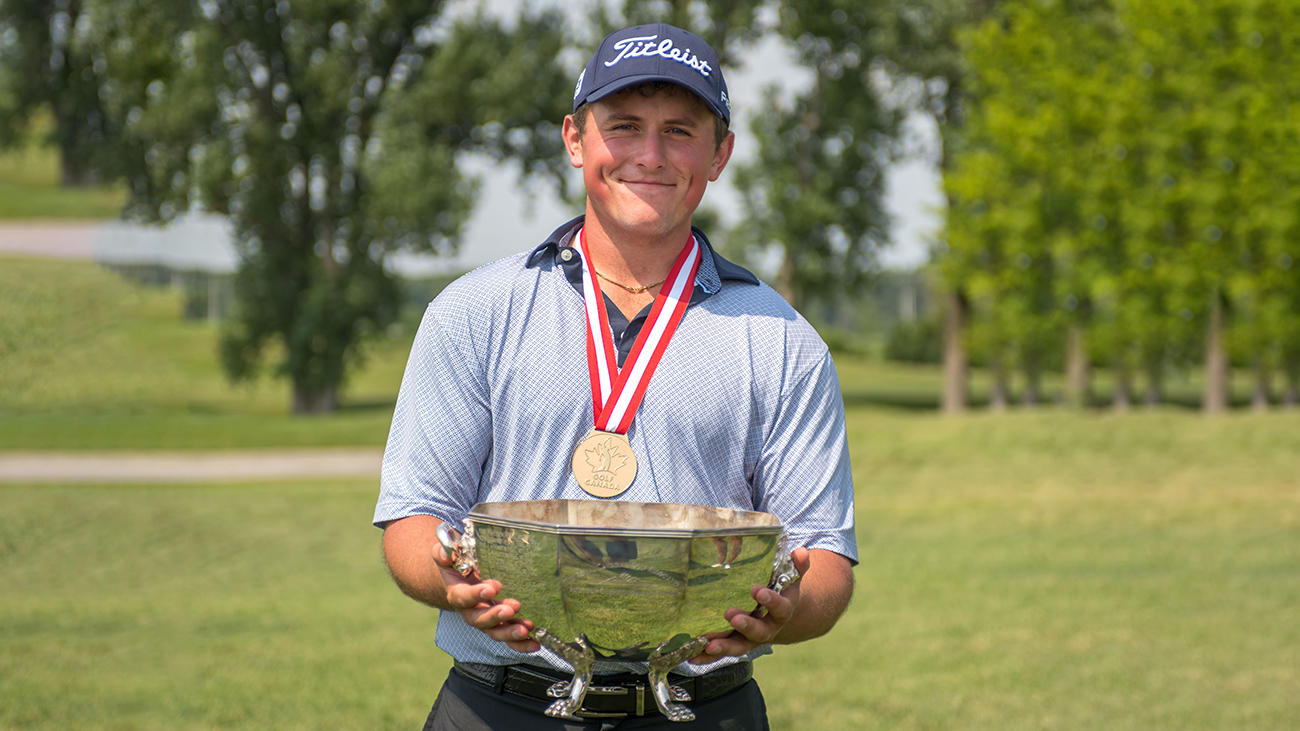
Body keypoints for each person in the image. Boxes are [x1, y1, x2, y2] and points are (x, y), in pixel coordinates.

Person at [374, 22, 857, 730]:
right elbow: (415, 516)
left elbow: (827, 560)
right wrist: (452, 582)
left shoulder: (783, 340)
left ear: (720, 153)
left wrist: (788, 611)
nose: (649, 155)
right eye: (623, 125)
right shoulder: (474, 311)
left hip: (702, 710)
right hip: (499, 706)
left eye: (679, 131)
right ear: (575, 139)